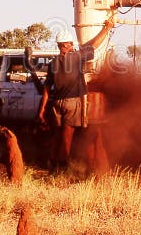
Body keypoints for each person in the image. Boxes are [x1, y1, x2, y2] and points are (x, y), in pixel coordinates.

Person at [37, 17, 115, 171]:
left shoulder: (53, 63)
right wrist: (106, 29)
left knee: (58, 135)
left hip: (56, 103)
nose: (73, 46)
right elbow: (93, 45)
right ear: (65, 44)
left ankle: (52, 164)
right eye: (71, 44)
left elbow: (47, 88)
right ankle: (62, 168)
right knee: (67, 137)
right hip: (72, 103)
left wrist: (41, 110)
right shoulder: (76, 57)